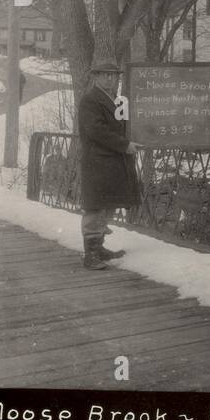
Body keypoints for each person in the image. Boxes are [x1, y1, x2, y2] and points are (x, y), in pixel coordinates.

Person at [77, 61, 141, 270]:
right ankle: (90, 255)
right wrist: (125, 145)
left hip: (111, 162)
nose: (109, 79)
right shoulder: (90, 100)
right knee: (95, 208)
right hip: (97, 162)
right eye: (104, 75)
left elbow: (120, 127)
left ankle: (99, 249)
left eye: (113, 76)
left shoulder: (115, 100)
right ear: (96, 77)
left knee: (107, 206)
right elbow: (96, 130)